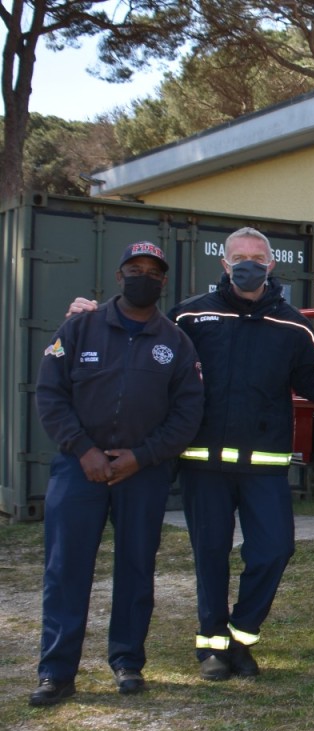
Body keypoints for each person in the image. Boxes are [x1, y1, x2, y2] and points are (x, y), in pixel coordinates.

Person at [69, 227, 314, 682]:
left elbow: (313, 377)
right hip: (202, 461)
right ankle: (210, 646)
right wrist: (91, 315)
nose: (248, 263)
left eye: (257, 257)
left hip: (263, 464)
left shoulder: (292, 325)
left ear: (271, 265)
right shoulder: (189, 316)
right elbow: (143, 339)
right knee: (210, 553)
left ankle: (241, 634)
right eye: (239, 257)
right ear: (224, 265)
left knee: (274, 550)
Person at [32, 241, 204, 706]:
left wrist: (141, 456)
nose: (143, 276)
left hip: (141, 473)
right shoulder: (79, 328)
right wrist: (84, 450)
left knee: (135, 568)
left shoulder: (175, 342)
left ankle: (127, 662)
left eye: (152, 271)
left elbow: (187, 414)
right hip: (78, 469)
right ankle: (56, 672)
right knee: (67, 569)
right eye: (135, 268)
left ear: (163, 282)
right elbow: (50, 395)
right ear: (119, 275)